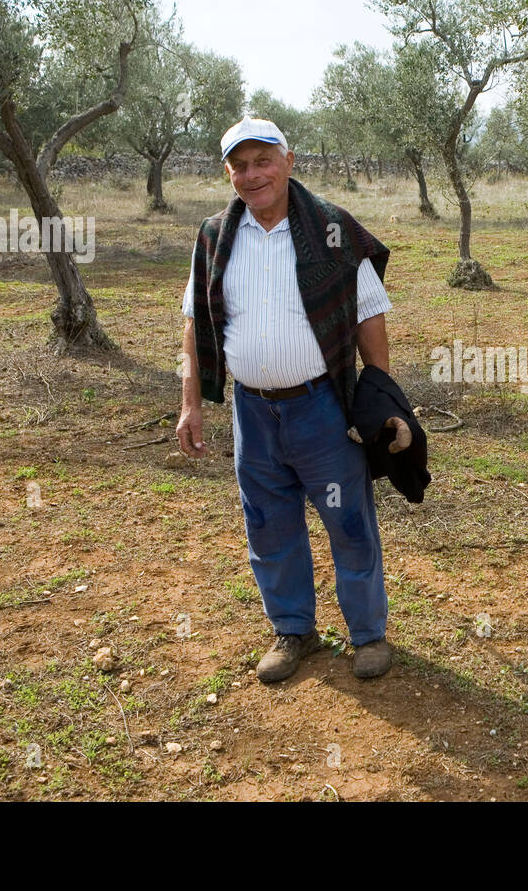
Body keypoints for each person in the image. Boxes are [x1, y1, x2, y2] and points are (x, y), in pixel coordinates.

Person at [177, 118, 401, 682]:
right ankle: (293, 630)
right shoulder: (214, 237)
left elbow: (369, 314)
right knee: (268, 525)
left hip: (322, 407)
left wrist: (380, 397)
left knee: (349, 522)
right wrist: (192, 404)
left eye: (263, 160)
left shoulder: (332, 229)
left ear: (288, 161)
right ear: (228, 173)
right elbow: (195, 322)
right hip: (253, 413)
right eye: (240, 165)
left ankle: (368, 636)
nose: (253, 175)